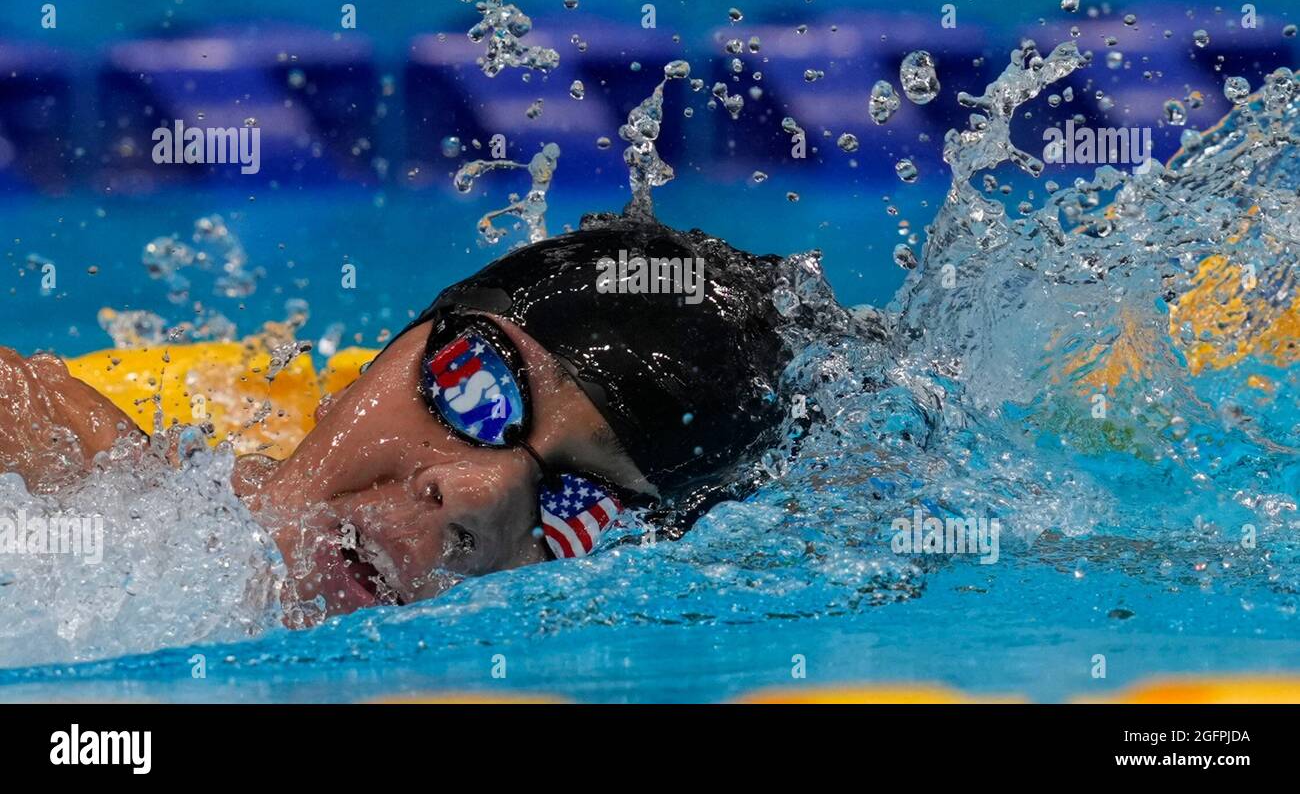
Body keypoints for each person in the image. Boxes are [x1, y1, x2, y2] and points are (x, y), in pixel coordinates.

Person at [0, 216, 791, 622]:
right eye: (477, 389)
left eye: (585, 509)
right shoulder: (53, 464)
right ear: (386, 354)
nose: (475, 496)